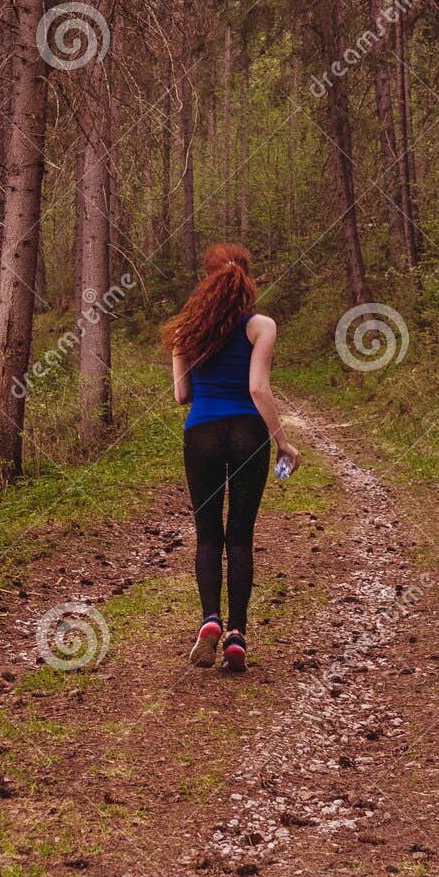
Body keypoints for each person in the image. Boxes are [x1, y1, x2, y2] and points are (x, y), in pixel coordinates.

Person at [163, 243, 301, 672]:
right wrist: (283, 443)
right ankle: (236, 635)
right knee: (240, 536)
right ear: (247, 279)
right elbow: (258, 389)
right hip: (247, 434)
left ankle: (210, 619)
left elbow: (181, 394)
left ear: (207, 279)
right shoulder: (261, 326)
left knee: (208, 536)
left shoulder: (185, 330)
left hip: (201, 433)